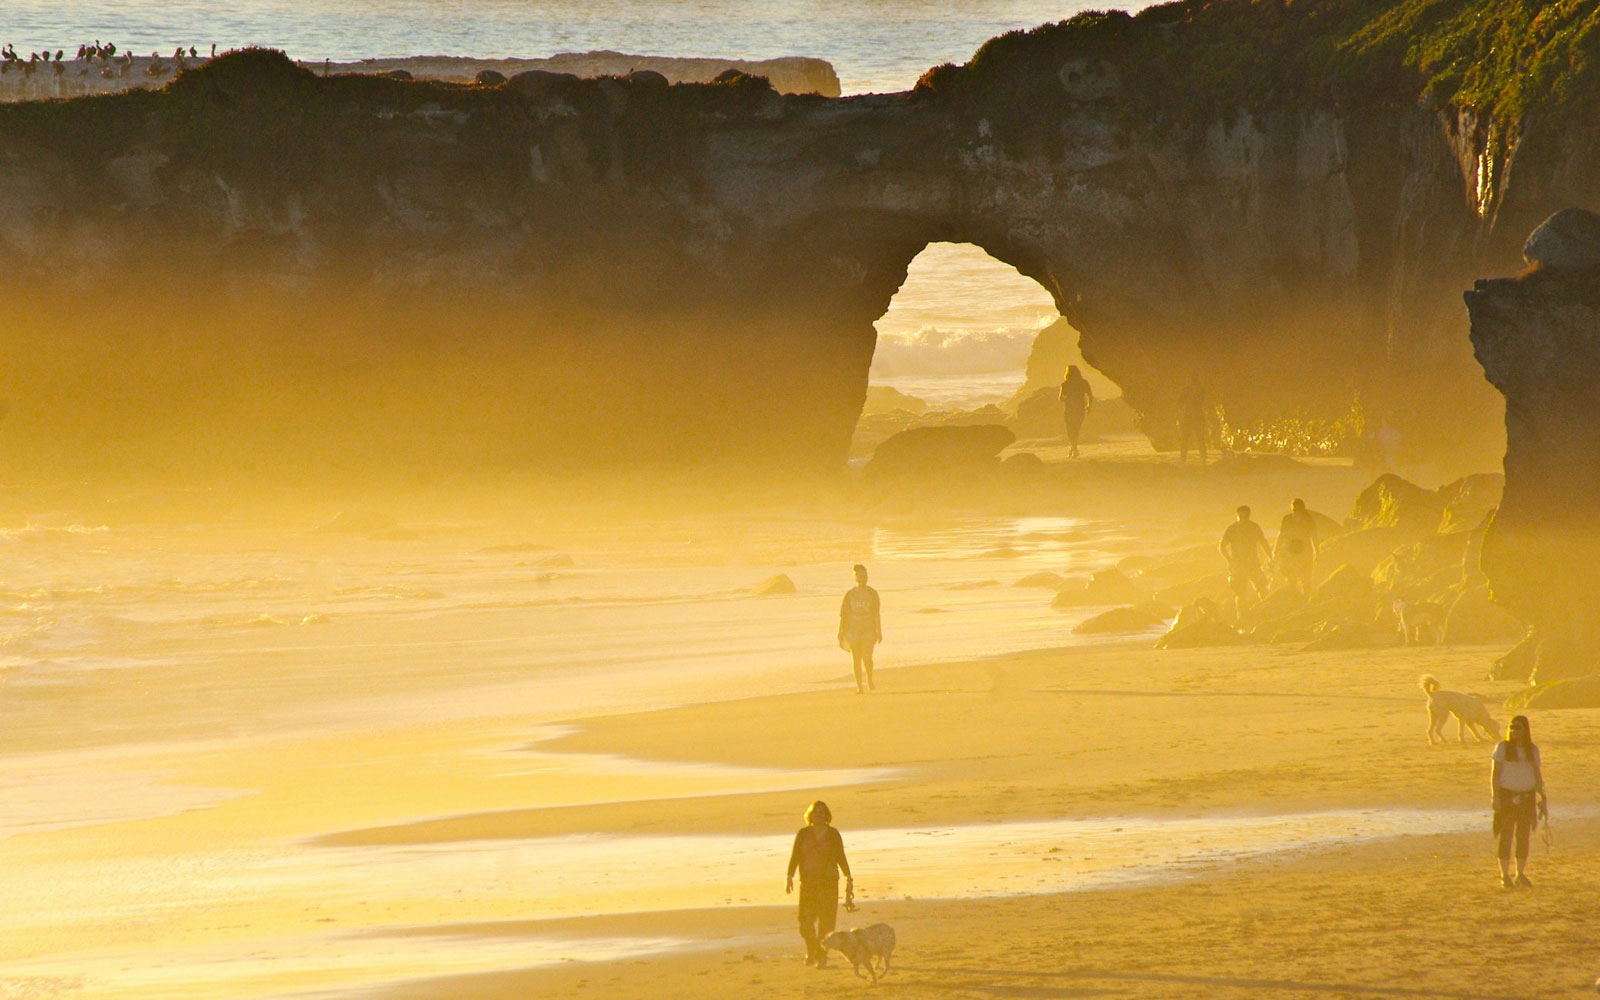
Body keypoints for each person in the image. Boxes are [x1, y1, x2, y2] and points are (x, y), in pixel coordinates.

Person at [786, 800, 854, 967]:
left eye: (822, 812)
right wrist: (789, 875)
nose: (818, 815)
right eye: (815, 812)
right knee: (805, 922)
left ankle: (821, 958)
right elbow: (795, 855)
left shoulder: (833, 834)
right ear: (810, 814)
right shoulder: (803, 833)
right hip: (808, 883)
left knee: (826, 923)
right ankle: (813, 948)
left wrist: (848, 876)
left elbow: (840, 856)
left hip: (828, 883)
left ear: (826, 816)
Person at [1491, 715, 1547, 888]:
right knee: (1505, 835)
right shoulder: (1502, 747)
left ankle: (1520, 874)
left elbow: (1537, 775)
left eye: (1518, 727)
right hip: (1507, 796)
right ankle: (1504, 875)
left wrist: (1542, 797)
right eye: (1511, 727)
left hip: (1527, 797)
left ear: (1525, 730)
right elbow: (1495, 774)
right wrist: (1496, 797)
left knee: (1523, 836)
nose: (1514, 731)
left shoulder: (1532, 749)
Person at [1219, 505, 1270, 620]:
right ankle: (1242, 618)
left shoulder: (1254, 527)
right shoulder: (1232, 529)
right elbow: (1222, 546)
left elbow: (1263, 542)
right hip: (1238, 566)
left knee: (1262, 588)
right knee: (1240, 593)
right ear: (1237, 515)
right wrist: (1229, 559)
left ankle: (1265, 615)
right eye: (1240, 515)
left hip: (1253, 563)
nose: (1243, 518)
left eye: (1245, 515)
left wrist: (1270, 556)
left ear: (1249, 515)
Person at [838, 564, 882, 693]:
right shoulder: (849, 594)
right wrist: (840, 631)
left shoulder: (872, 593)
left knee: (867, 657)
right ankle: (859, 686)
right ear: (855, 577)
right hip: (853, 628)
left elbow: (876, 613)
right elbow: (843, 614)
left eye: (865, 576)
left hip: (868, 628)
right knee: (856, 658)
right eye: (861, 576)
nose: (864, 578)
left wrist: (879, 631)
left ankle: (869, 678)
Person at [1274, 498, 1319, 597]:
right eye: (1295, 510)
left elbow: (1314, 536)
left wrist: (1317, 551)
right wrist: (1275, 549)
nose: (1297, 512)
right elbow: (1281, 534)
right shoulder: (1287, 519)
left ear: (1303, 509)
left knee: (1306, 578)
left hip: (1305, 551)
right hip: (1290, 551)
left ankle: (1306, 598)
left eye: (1299, 510)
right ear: (1292, 510)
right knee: (1291, 577)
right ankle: (1294, 598)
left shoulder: (1308, 520)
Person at [1058, 365, 1093, 458]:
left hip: (1069, 409)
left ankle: (1073, 448)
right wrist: (1089, 406)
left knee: (1070, 429)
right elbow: (1090, 395)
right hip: (1080, 409)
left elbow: (1060, 398)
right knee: (1076, 428)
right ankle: (1074, 448)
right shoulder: (1084, 383)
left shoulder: (1065, 384)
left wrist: (1069, 399)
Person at [1177, 374, 1209, 464]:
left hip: (1188, 415)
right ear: (1198, 380)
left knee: (1185, 438)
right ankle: (1203, 457)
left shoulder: (1186, 390)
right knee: (1200, 437)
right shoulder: (1201, 390)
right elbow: (1205, 401)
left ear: (1190, 380)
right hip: (1198, 414)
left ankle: (1183, 458)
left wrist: (1181, 411)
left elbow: (1180, 402)